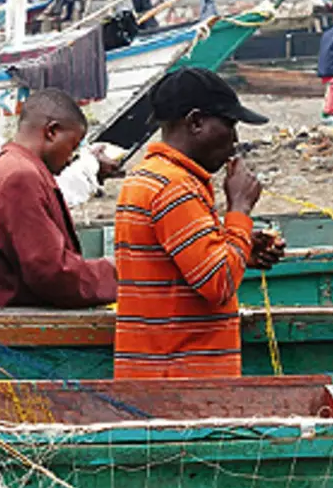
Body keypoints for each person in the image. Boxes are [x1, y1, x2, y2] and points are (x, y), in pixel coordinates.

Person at [113, 69, 285, 379]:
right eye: (229, 125)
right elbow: (218, 282)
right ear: (195, 122)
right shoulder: (174, 187)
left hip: (159, 374)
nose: (235, 141)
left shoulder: (149, 176)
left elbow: (180, 265)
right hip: (182, 384)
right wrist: (240, 208)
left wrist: (242, 245)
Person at [0, 89, 117, 308]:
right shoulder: (20, 176)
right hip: (15, 331)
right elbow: (50, 272)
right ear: (52, 131)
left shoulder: (13, 167)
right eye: (72, 146)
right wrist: (114, 272)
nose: (71, 157)